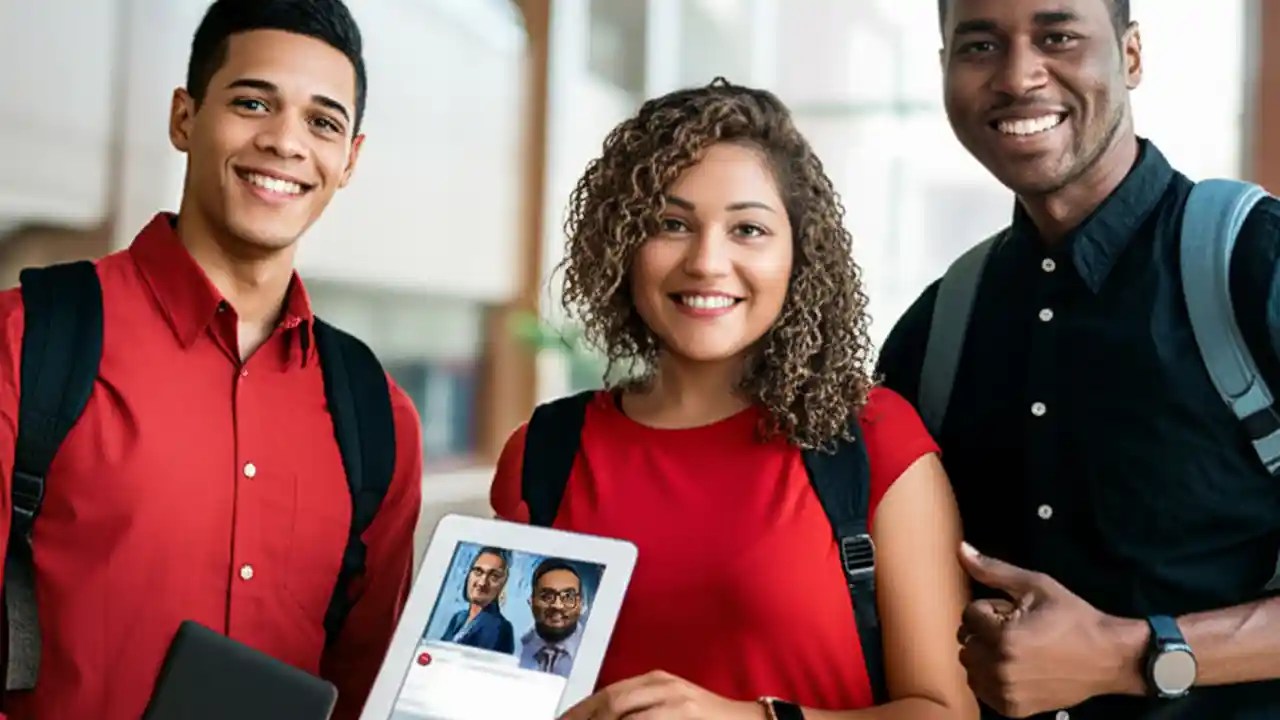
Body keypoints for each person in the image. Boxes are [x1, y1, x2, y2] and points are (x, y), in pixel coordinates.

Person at [491, 79, 977, 720]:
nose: (706, 262)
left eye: (748, 229)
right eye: (670, 224)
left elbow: (947, 713)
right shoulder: (545, 451)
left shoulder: (871, 438)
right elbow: (504, 690)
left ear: (799, 256)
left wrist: (747, 718)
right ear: (622, 248)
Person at [0, 2, 424, 719]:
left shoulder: (378, 415)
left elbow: (365, 692)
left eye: (321, 122)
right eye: (253, 102)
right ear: (184, 119)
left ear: (348, 158)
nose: (286, 142)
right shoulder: (27, 338)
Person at [876, 1, 1280, 718]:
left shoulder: (1256, 264)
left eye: (1057, 36)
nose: (1018, 75)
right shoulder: (935, 329)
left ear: (1129, 56)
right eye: (979, 47)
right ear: (945, 71)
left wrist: (1132, 655)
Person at [438, 547, 516, 654]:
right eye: (478, 572)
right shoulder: (458, 618)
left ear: (502, 585)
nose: (482, 583)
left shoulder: (500, 628)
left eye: (494, 576)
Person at [518, 558, 584, 678]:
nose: (557, 606)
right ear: (531, 601)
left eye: (568, 597)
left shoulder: (594, 652)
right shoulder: (516, 648)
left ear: (581, 604)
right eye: (547, 596)